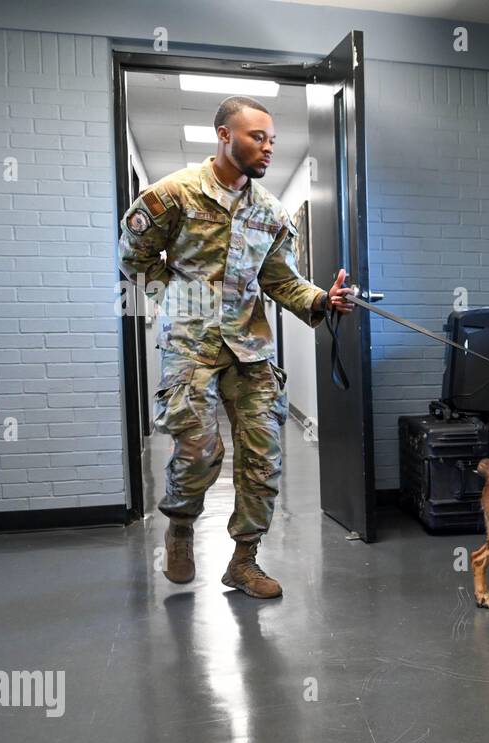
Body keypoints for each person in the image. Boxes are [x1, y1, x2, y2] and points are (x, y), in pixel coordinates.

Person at [119, 95, 356, 598]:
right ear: (224, 135)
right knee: (201, 450)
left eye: (272, 139)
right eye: (257, 137)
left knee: (263, 455)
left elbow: (280, 280)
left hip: (250, 349)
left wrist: (321, 298)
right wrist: (178, 298)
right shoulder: (175, 195)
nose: (268, 148)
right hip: (191, 347)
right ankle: (180, 526)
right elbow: (134, 257)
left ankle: (244, 561)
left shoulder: (269, 212)